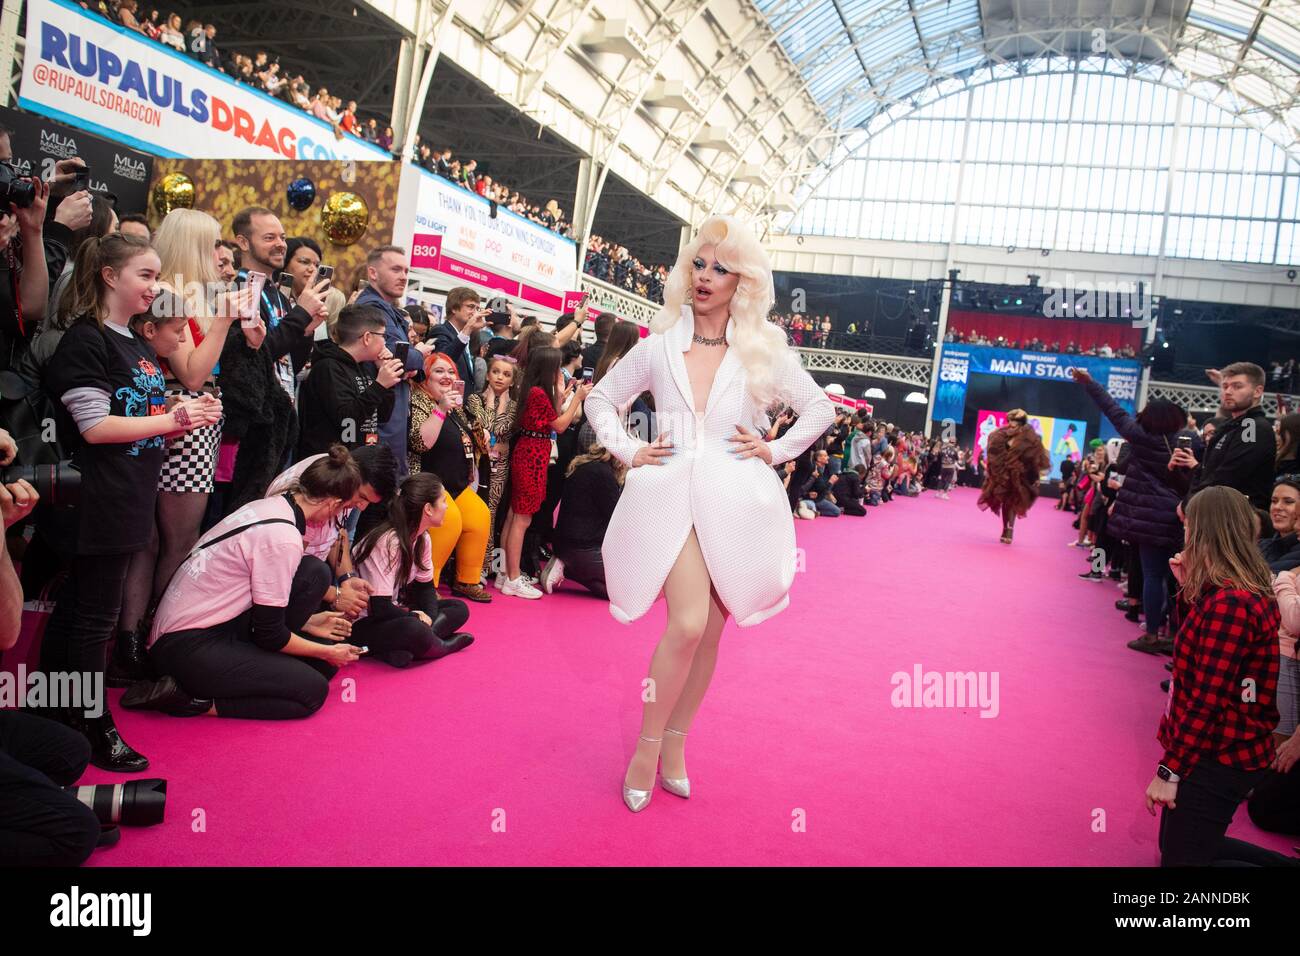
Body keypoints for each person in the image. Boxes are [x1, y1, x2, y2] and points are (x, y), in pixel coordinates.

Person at [584, 214, 834, 812]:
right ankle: (647, 746)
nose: (705, 275)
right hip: (669, 498)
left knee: (713, 634)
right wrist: (629, 450)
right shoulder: (658, 346)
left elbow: (819, 408)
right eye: (699, 262)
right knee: (689, 624)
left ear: (742, 283)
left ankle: (676, 743)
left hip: (735, 503)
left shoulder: (761, 352)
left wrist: (773, 450)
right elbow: (599, 399)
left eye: (721, 268)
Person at [40, 235, 222, 770]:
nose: (155, 286)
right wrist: (177, 419)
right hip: (99, 496)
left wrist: (178, 409)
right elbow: (96, 427)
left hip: (129, 493)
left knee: (82, 607)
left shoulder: (135, 344)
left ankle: (58, 714)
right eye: (145, 275)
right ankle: (92, 724)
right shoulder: (87, 340)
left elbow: (136, 413)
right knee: (93, 615)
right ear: (109, 276)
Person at [112, 209, 257, 684]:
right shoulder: (170, 297)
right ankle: (147, 639)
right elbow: (195, 373)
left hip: (187, 419)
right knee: (164, 542)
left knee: (159, 542)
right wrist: (222, 320)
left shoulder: (189, 294)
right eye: (214, 242)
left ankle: (147, 637)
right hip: (179, 419)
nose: (222, 253)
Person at [121, 447, 365, 719]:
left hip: (203, 629)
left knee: (314, 581)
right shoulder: (283, 536)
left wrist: (311, 626)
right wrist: (328, 650)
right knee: (312, 691)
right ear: (332, 504)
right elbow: (270, 634)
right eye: (345, 507)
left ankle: (232, 674)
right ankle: (190, 700)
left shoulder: (274, 506)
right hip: (187, 647)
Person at [1146, 486, 1297, 867]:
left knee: (1182, 863)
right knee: (1181, 849)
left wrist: (1170, 768)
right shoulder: (1231, 590)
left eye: (1189, 526)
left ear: (1204, 531)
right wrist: (1186, 586)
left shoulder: (1231, 602)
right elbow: (1195, 656)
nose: (1184, 534)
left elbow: (1206, 696)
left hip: (1220, 754)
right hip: (1219, 748)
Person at [1072, 367, 1190, 652]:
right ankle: (1173, 632)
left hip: (1146, 518)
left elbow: (1112, 409)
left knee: (1152, 575)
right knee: (1176, 579)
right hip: (1179, 515)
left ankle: (1151, 633)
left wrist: (1090, 383)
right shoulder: (1187, 445)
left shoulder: (1139, 436)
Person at [348, 471, 475, 667]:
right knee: (412, 627)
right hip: (362, 624)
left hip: (392, 613)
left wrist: (428, 619)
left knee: (459, 608)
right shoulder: (387, 542)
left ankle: (410, 646)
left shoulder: (423, 538)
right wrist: (414, 617)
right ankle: (441, 647)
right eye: (443, 500)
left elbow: (425, 588)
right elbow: (380, 608)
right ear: (428, 509)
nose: (447, 506)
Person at [500, 345, 592, 599]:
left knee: (514, 515)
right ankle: (513, 578)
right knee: (522, 518)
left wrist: (564, 394)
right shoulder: (538, 394)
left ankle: (506, 573)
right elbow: (560, 425)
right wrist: (577, 399)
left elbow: (550, 417)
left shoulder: (535, 391)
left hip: (530, 450)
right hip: (533, 454)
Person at [407, 352, 493, 602]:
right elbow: (420, 443)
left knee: (479, 516)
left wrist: (482, 433)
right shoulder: (420, 401)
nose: (447, 377)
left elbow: (470, 438)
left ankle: (466, 580)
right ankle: (424, 586)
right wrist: (441, 408)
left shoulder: (456, 403)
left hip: (457, 484)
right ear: (426, 375)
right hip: (428, 482)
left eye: (451, 372)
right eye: (439, 371)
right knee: (449, 520)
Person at [358, 246, 432, 476]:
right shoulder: (372, 307)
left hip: (390, 414)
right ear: (373, 273)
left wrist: (411, 361)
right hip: (379, 417)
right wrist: (418, 353)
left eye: (406, 271)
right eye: (395, 269)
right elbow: (401, 356)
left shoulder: (388, 309)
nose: (403, 276)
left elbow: (403, 361)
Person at [294, 304, 403, 459]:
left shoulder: (363, 366)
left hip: (355, 461)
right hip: (330, 465)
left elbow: (383, 416)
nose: (385, 342)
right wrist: (379, 386)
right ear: (367, 338)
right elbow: (347, 422)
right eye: (383, 336)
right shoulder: (329, 367)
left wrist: (386, 383)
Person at [1174, 364, 1277, 512]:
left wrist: (1191, 503)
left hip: (1235, 518)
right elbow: (1205, 471)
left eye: (1237, 386)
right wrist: (1189, 501)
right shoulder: (1230, 425)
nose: (1228, 391)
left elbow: (1229, 475)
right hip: (1213, 510)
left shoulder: (1253, 426)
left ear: (1257, 391)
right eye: (1225, 386)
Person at [544, 431, 624, 596]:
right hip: (583, 548)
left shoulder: (583, 465)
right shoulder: (605, 475)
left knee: (616, 587)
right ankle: (569, 570)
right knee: (624, 594)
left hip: (563, 543)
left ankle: (568, 566)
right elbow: (616, 520)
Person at [464, 353, 516, 580]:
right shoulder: (474, 399)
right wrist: (493, 403)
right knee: (475, 511)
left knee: (492, 513)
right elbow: (483, 426)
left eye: (506, 375)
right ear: (487, 374)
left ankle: (487, 566)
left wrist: (502, 404)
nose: (500, 378)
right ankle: (470, 565)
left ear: (512, 382)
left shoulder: (514, 406)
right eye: (495, 372)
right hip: (476, 464)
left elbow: (502, 429)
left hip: (500, 466)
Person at [977, 409, 1049, 544]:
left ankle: (1010, 529)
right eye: (1010, 420)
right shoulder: (1000, 435)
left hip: (1022, 476)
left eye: (1015, 421)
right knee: (1005, 502)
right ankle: (1005, 528)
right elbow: (995, 455)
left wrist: (1035, 477)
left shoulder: (1031, 437)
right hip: (1003, 475)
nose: (1011, 423)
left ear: (1021, 423)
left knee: (1013, 502)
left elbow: (1035, 459)